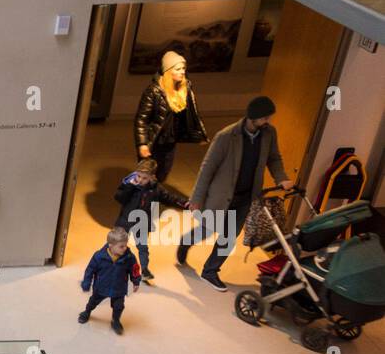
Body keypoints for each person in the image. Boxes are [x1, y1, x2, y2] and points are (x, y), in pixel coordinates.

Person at [177, 95, 294, 292]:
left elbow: (274, 158)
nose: (268, 122)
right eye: (265, 118)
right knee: (208, 229)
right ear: (253, 117)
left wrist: (280, 178)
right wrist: (196, 198)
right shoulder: (226, 136)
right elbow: (208, 168)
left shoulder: (269, 133)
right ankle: (186, 242)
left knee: (229, 235)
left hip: (246, 197)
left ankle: (210, 271)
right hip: (221, 195)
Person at [134, 50, 207, 184]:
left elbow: (193, 114)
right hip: (154, 141)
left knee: (162, 175)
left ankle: (153, 204)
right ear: (168, 71)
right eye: (178, 69)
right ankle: (139, 203)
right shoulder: (154, 91)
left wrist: (198, 135)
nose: (182, 72)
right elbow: (141, 120)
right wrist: (142, 144)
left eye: (183, 68)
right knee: (146, 178)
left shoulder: (185, 90)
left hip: (170, 142)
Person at [114, 156, 190, 282]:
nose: (140, 180)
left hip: (143, 222)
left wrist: (185, 204)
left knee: (143, 248)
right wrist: (130, 187)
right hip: (125, 219)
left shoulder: (156, 189)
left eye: (144, 178)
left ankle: (144, 270)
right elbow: (119, 198)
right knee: (117, 243)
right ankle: (110, 266)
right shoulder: (129, 184)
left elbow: (170, 198)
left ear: (152, 177)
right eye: (138, 176)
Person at [79, 227, 141, 335]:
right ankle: (87, 312)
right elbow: (90, 270)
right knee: (93, 301)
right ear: (111, 245)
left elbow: (134, 269)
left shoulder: (129, 257)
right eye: (121, 246)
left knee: (119, 306)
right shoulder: (99, 256)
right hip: (101, 286)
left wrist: (136, 281)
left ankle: (115, 321)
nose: (125, 248)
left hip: (119, 288)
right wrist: (86, 283)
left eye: (126, 245)